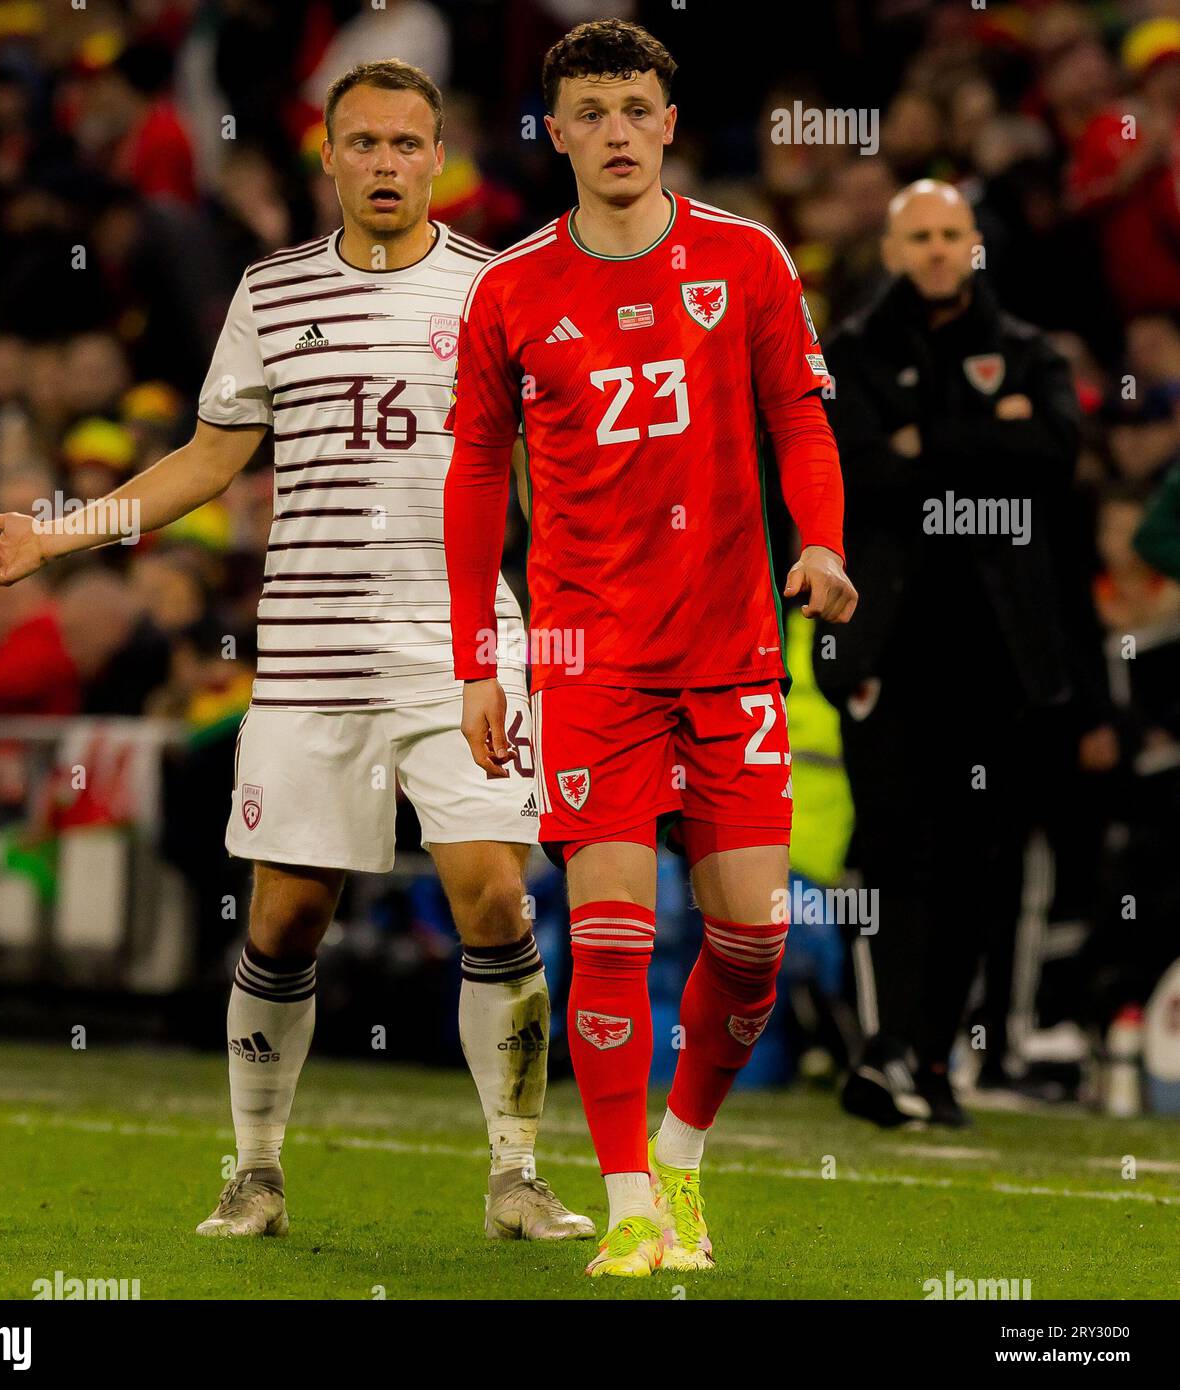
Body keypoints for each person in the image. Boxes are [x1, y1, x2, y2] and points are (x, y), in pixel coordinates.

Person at [0, 60, 592, 1247]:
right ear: (329, 158)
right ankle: (255, 1170)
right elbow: (205, 462)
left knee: (495, 890)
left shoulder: (499, 291)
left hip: (462, 651)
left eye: (410, 143)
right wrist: (56, 536)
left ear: (437, 157)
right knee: (289, 914)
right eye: (365, 143)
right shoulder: (269, 291)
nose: (388, 163)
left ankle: (516, 1173)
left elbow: (558, 463)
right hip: (307, 651)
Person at [444, 19, 855, 1277]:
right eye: (591, 112)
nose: (616, 132)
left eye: (636, 108)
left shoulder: (746, 259)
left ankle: (679, 1160)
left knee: (751, 948)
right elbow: (471, 477)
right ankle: (626, 1201)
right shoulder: (509, 289)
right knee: (611, 933)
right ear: (555, 131)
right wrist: (480, 659)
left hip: (731, 649)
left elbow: (798, 417)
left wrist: (823, 544)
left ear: (668, 125)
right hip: (588, 657)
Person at [816, 180, 1083, 1127]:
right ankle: (884, 1049)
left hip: (1000, 661)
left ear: (976, 243)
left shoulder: (1026, 350)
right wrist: (981, 442)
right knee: (891, 852)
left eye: (951, 234)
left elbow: (1056, 451)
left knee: (980, 864)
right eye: (919, 235)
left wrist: (926, 441)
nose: (936, 249)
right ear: (891, 251)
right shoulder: (848, 354)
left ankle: (935, 1060)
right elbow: (857, 472)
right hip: (890, 649)